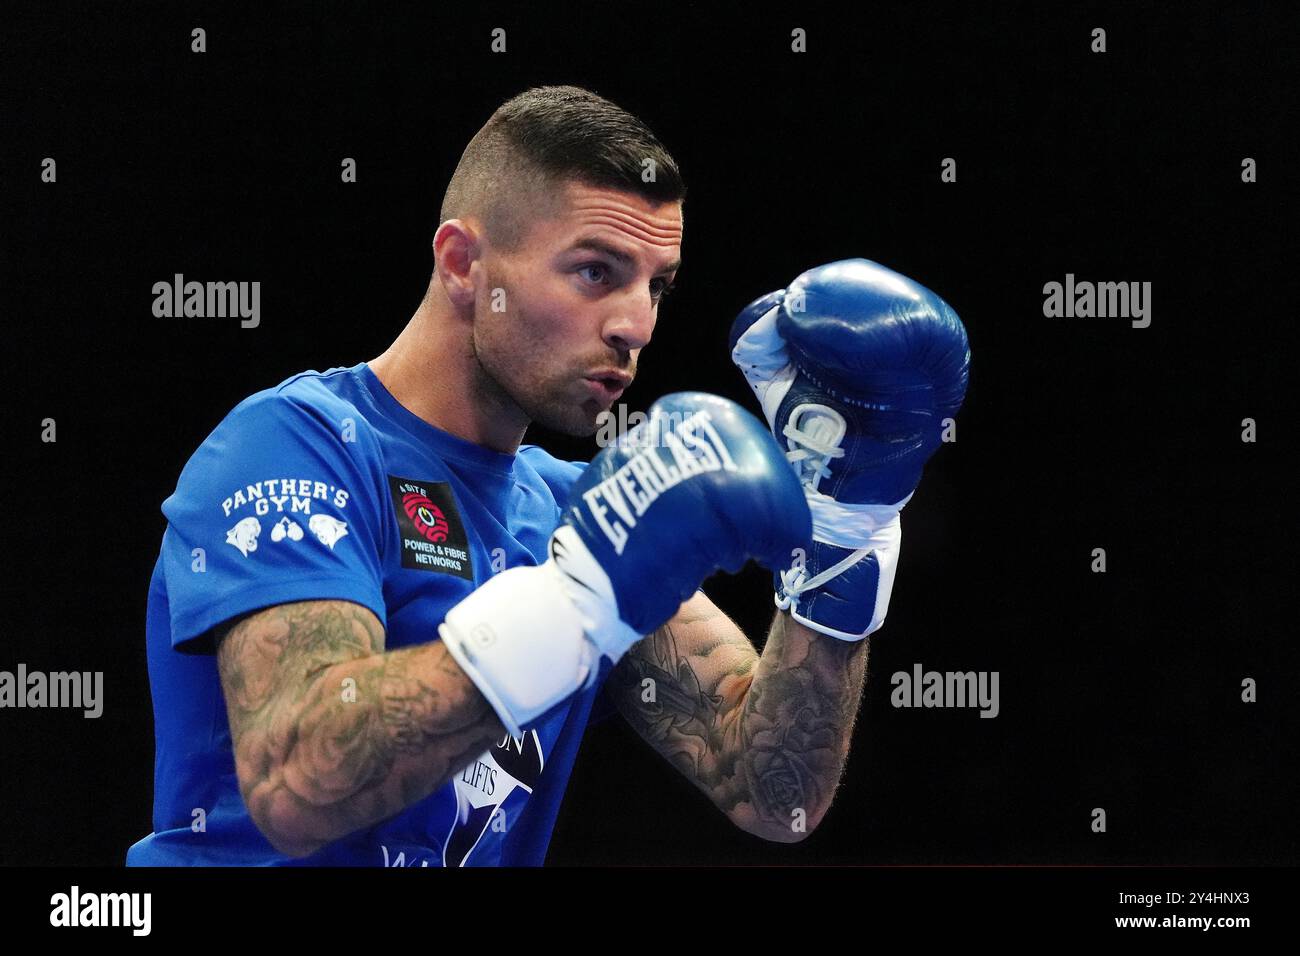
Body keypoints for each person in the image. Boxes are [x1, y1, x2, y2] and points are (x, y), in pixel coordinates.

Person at [126, 85, 970, 867]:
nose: (636, 325)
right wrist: (578, 602)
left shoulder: (572, 508)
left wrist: (847, 534)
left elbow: (772, 792)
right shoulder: (295, 448)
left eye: (658, 287)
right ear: (463, 265)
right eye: (596, 271)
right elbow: (296, 783)